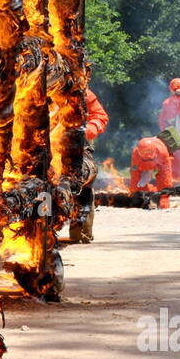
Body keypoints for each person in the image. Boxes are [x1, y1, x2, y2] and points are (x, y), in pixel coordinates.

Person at [70, 88, 109, 243]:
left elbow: (100, 116)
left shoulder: (83, 91)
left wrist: (92, 127)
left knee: (83, 183)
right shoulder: (34, 85)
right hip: (46, 141)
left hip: (80, 142)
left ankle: (80, 233)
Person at [128, 135, 173, 209]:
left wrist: (164, 197)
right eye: (145, 157)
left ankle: (163, 198)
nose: (148, 157)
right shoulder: (136, 154)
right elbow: (134, 174)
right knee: (138, 185)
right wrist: (134, 193)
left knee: (164, 178)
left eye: (149, 156)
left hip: (159, 162)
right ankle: (148, 194)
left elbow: (165, 177)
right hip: (143, 164)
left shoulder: (162, 152)